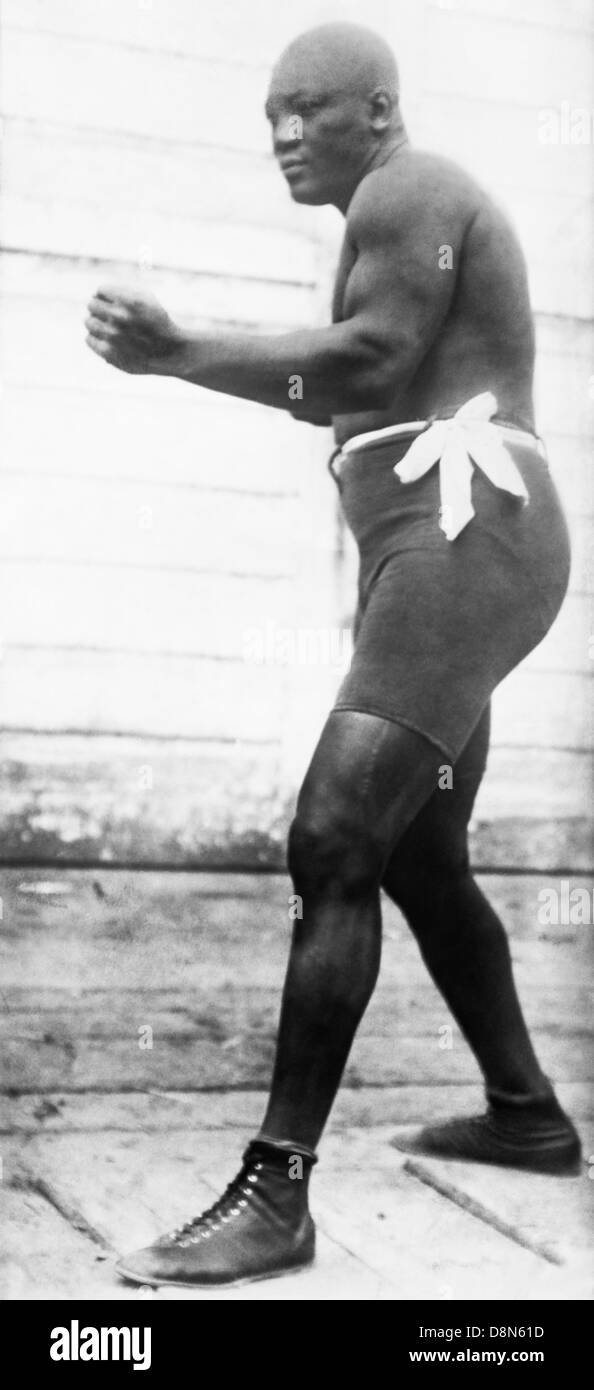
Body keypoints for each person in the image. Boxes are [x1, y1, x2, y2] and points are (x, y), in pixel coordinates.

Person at [85, 21, 581, 1289]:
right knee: (412, 849)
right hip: (444, 554)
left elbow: (370, 360)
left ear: (378, 107)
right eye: (270, 118)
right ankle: (525, 1111)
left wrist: (179, 350)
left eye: (308, 111)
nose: (284, 138)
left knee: (333, 840)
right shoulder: (386, 214)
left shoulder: (410, 187)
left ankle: (276, 1192)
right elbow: (351, 378)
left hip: (466, 541)